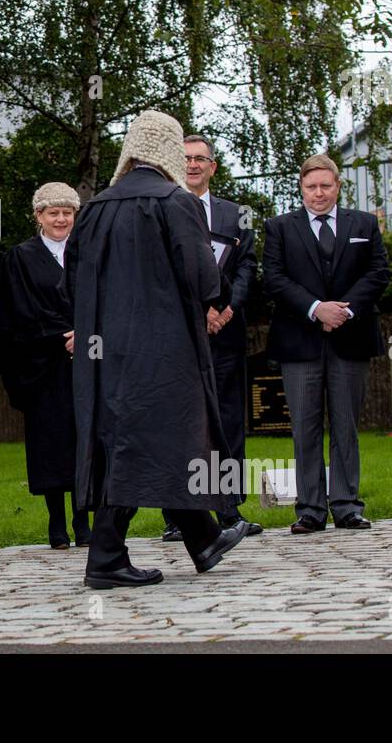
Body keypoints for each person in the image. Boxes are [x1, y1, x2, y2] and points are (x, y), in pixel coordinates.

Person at [66, 110, 248, 589]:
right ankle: (105, 557)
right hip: (163, 351)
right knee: (152, 441)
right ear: (168, 150)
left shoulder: (96, 207)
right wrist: (221, 295)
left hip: (103, 355)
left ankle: (204, 540)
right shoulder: (175, 201)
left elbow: (71, 281)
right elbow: (202, 274)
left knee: (131, 442)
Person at [262, 153, 390, 534]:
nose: (318, 193)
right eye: (311, 187)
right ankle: (310, 509)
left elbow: (378, 272)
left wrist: (344, 311)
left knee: (346, 425)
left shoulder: (364, 223)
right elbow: (273, 278)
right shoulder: (279, 227)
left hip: (351, 339)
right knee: (305, 427)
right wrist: (317, 308)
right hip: (299, 342)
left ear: (338, 186)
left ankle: (347, 505)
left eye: (325, 186)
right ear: (301, 189)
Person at [162, 135, 262, 541]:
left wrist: (225, 309)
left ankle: (229, 509)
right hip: (181, 338)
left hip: (225, 335)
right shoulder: (163, 210)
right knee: (181, 424)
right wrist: (199, 310)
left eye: (200, 158)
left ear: (213, 166)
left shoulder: (237, 215)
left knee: (227, 424)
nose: (192, 165)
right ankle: (179, 515)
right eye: (185, 158)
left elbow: (247, 269)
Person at [0, 182, 90, 549]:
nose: (61, 219)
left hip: (86, 362)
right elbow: (19, 309)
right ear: (39, 216)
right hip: (44, 364)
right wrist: (61, 334)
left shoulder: (88, 253)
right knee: (52, 443)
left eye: (67, 213)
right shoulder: (20, 257)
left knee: (85, 439)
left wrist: (84, 332)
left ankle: (84, 518)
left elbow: (103, 297)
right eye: (54, 213)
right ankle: (56, 520)